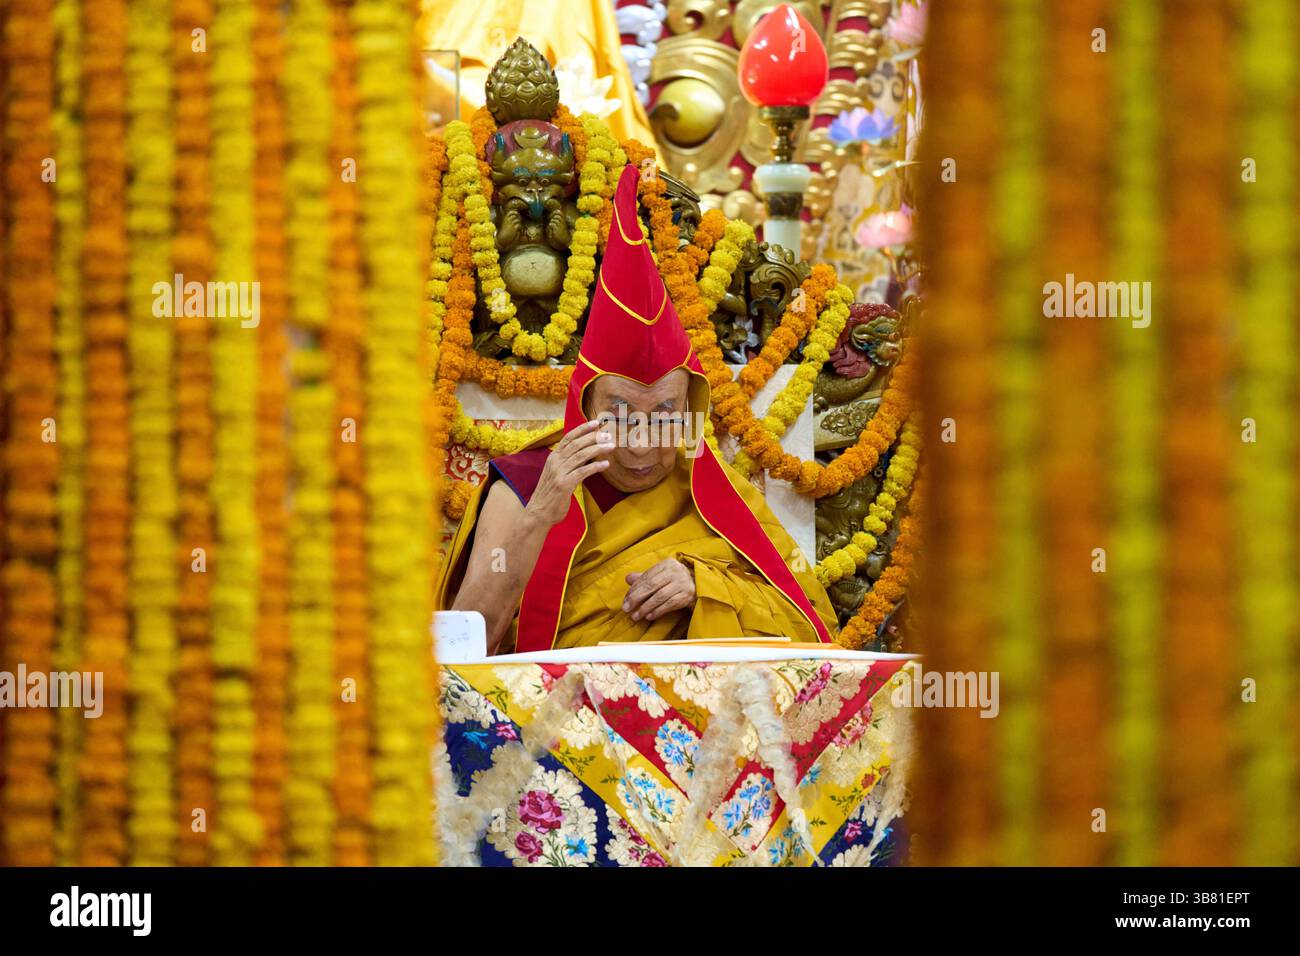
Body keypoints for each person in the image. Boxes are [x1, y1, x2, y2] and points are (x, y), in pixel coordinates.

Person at [437, 164, 837, 655]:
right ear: (584, 406)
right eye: (621, 415)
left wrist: (705, 589)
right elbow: (467, 646)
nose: (643, 445)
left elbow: (813, 636)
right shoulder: (529, 482)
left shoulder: (712, 491)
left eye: (666, 413)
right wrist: (541, 514)